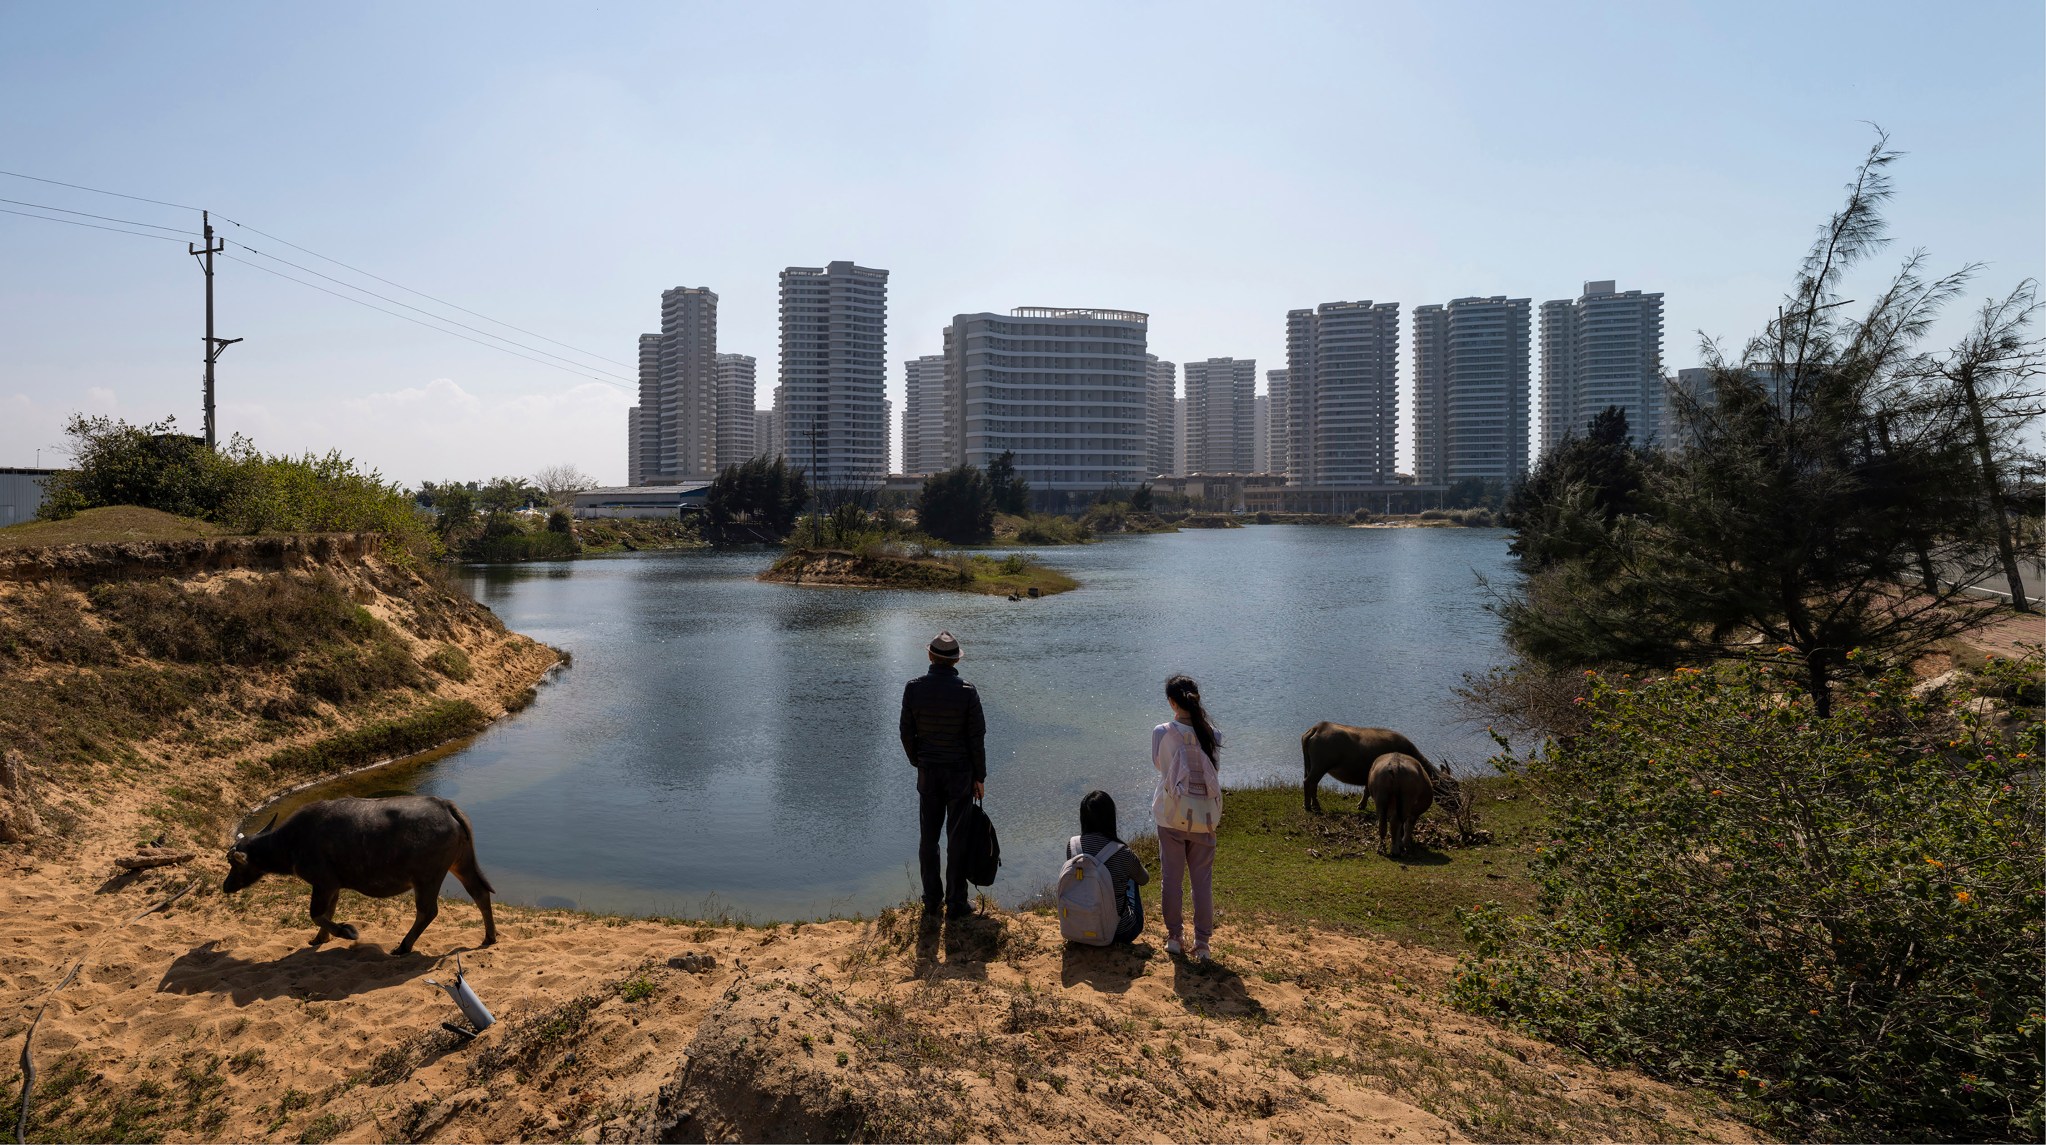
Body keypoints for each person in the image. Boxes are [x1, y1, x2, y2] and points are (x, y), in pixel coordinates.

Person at [898, 630, 986, 920]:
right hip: (960, 775)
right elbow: (976, 738)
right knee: (957, 838)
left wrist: (918, 761)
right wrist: (979, 777)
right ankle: (956, 902)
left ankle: (931, 900)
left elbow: (906, 732)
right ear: (955, 661)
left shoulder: (914, 688)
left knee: (929, 839)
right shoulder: (967, 692)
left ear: (930, 656)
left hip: (929, 773)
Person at [1151, 674, 1220, 961]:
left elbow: (1160, 767)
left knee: (1172, 878)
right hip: (1204, 816)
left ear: (1171, 702)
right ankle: (1202, 942)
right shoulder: (1213, 734)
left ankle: (1174, 937)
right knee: (1201, 881)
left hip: (1170, 815)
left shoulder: (1161, 732)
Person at [1068, 790, 1149, 944]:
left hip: (1078, 929)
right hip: (1120, 932)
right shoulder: (1122, 852)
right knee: (1132, 879)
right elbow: (1144, 879)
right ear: (1110, 817)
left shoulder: (1072, 846)